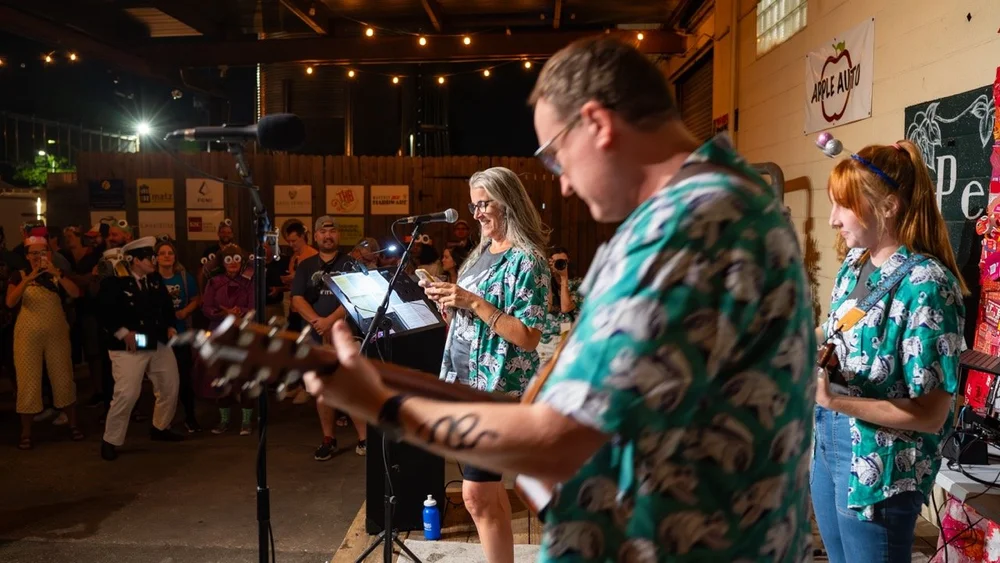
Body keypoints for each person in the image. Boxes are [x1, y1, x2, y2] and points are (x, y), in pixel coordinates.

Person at [303, 37, 816, 563]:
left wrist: (382, 404)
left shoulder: (686, 225)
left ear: (596, 123)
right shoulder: (732, 198)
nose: (565, 185)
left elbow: (562, 439)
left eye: (556, 155)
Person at [812, 140, 968, 563]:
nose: (832, 220)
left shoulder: (927, 284)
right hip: (828, 441)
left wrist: (834, 399)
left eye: (843, 206)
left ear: (888, 207)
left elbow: (932, 413)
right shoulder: (855, 265)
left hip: (880, 463)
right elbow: (832, 333)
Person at [421, 166, 550, 563]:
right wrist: (446, 302)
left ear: (508, 202)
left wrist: (473, 302)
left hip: (496, 389)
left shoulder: (528, 261)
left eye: (483, 203)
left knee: (476, 494)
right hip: (463, 381)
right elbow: (469, 320)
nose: (475, 213)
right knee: (485, 493)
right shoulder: (479, 254)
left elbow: (528, 336)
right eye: (473, 204)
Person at [97, 236, 183, 461]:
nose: (153, 261)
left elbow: (165, 306)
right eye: (148, 258)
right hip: (129, 348)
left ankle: (160, 427)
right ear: (134, 260)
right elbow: (103, 313)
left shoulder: (153, 281)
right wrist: (123, 332)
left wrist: (170, 326)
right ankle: (111, 440)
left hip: (156, 342)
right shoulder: (114, 283)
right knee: (127, 393)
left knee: (170, 385)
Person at [290, 216, 368, 458]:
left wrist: (329, 321)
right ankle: (328, 438)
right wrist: (317, 322)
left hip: (346, 334)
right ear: (315, 236)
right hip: (316, 337)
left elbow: (355, 298)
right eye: (323, 232)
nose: (328, 236)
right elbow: (297, 299)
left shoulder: (350, 264)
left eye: (332, 231)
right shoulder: (305, 266)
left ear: (339, 236)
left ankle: (365, 439)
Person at [6, 232, 83, 449]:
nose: (38, 256)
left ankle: (72, 424)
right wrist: (28, 278)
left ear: (49, 253)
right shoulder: (18, 275)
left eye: (43, 252)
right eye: (34, 253)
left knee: (63, 376)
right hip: (27, 336)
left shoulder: (57, 274)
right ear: (27, 255)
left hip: (56, 333)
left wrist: (56, 274)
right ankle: (26, 432)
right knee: (28, 381)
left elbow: (76, 293)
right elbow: (11, 302)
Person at [201, 245, 256, 435]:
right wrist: (223, 313)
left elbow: (254, 307)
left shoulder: (249, 282)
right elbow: (206, 308)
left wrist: (241, 312)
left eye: (236, 259)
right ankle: (224, 420)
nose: (233, 263)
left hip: (244, 334)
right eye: (228, 259)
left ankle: (246, 421)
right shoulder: (214, 282)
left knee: (246, 377)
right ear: (222, 262)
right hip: (220, 333)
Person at [156, 239, 202, 433]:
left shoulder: (184, 277)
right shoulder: (152, 279)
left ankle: (189, 417)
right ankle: (162, 421)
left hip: (181, 334)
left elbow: (196, 299)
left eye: (170, 253)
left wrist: (185, 312)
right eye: (162, 253)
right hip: (159, 337)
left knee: (184, 378)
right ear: (156, 257)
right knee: (162, 382)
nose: (167, 256)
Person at [61, 226, 103, 406]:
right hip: (76, 311)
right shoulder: (66, 256)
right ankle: (95, 390)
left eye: (70, 236)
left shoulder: (95, 256)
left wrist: (69, 277)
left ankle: (101, 391)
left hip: (95, 310)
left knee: (97, 353)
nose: (67, 240)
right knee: (86, 352)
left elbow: (92, 280)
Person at [537, 247, 581, 366]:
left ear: (568, 262)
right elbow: (548, 307)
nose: (559, 265)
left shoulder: (577, 284)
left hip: (569, 341)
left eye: (563, 262)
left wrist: (564, 278)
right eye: (555, 262)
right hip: (546, 343)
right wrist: (547, 274)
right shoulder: (543, 285)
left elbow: (566, 307)